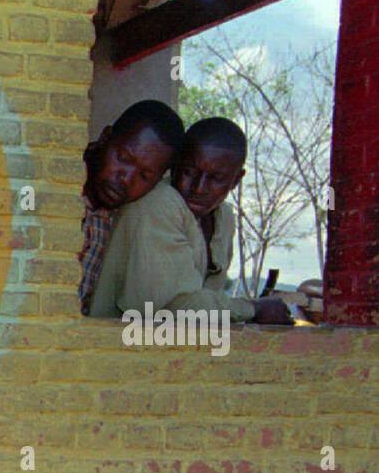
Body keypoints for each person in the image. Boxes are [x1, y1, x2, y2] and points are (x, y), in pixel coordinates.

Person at [87, 117, 292, 325]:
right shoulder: (159, 203)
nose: (199, 188)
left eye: (215, 178)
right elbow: (177, 307)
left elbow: (206, 305)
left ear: (236, 180)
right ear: (174, 167)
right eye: (189, 172)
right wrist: (252, 309)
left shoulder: (223, 218)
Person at [78, 99, 186, 314]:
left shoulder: (131, 222)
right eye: (123, 158)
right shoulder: (53, 187)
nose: (126, 178)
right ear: (105, 138)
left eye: (144, 176)